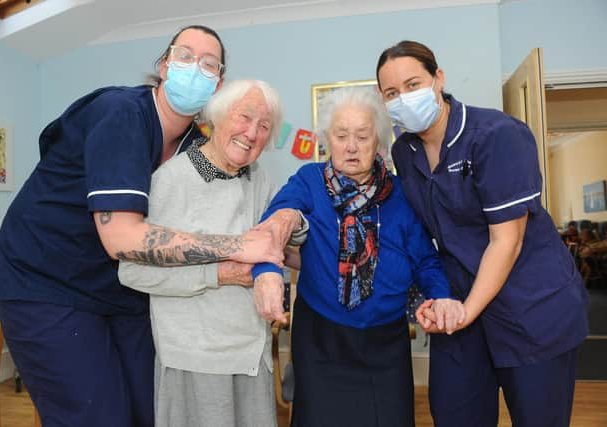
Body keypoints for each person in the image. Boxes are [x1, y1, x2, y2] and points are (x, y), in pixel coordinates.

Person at [0, 26, 284, 427]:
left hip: (116, 288)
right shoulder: (121, 114)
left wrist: (279, 234)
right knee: (98, 416)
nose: (195, 68)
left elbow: (256, 204)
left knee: (151, 409)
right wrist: (237, 247)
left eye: (209, 64)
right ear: (163, 65)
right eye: (184, 56)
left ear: (219, 85)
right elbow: (122, 238)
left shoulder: (194, 149)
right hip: (45, 278)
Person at [376, 40, 588, 427]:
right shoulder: (404, 151)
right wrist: (431, 300)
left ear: (438, 79)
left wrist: (465, 311)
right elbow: (422, 235)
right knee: (454, 413)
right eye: (391, 93)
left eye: (412, 84)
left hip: (531, 306)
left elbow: (507, 241)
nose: (403, 98)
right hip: (460, 307)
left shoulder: (497, 135)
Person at [252, 87, 464, 427]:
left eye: (362, 136)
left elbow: (426, 260)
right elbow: (275, 222)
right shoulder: (310, 181)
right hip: (321, 338)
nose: (351, 146)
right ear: (326, 141)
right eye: (341, 135)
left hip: (386, 343)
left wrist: (442, 296)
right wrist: (266, 271)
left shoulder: (400, 193)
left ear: (379, 142)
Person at [118, 79, 290, 427]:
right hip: (194, 358)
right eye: (245, 117)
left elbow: (282, 239)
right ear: (217, 116)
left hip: (252, 356)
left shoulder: (259, 179)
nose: (252, 132)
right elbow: (132, 271)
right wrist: (220, 273)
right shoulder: (170, 180)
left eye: (264, 126)